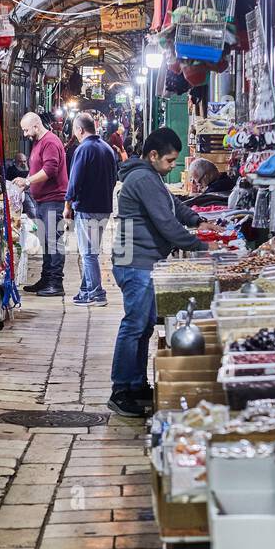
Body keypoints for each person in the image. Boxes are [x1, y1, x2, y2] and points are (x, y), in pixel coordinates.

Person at [108, 127, 209, 418]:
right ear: (153, 155)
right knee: (134, 325)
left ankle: (136, 383)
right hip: (135, 262)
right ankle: (121, 390)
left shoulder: (149, 176)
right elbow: (166, 223)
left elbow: (172, 205)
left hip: (144, 261)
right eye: (170, 160)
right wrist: (200, 244)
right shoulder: (143, 177)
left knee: (144, 326)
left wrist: (196, 219)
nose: (172, 166)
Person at [64, 112, 117, 307]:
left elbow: (74, 181)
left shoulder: (83, 149)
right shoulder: (107, 148)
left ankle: (97, 293)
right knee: (91, 250)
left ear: (80, 129)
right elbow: (114, 178)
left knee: (88, 253)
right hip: (104, 207)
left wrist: (67, 205)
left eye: (75, 131)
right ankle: (86, 290)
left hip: (87, 207)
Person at [17, 111, 68, 297]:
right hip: (42, 200)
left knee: (53, 241)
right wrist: (25, 181)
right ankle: (46, 279)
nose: (25, 134)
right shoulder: (39, 143)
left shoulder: (50, 142)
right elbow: (37, 169)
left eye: (26, 130)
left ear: (36, 126)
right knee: (46, 241)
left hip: (52, 200)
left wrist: (28, 182)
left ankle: (55, 282)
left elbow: (50, 170)